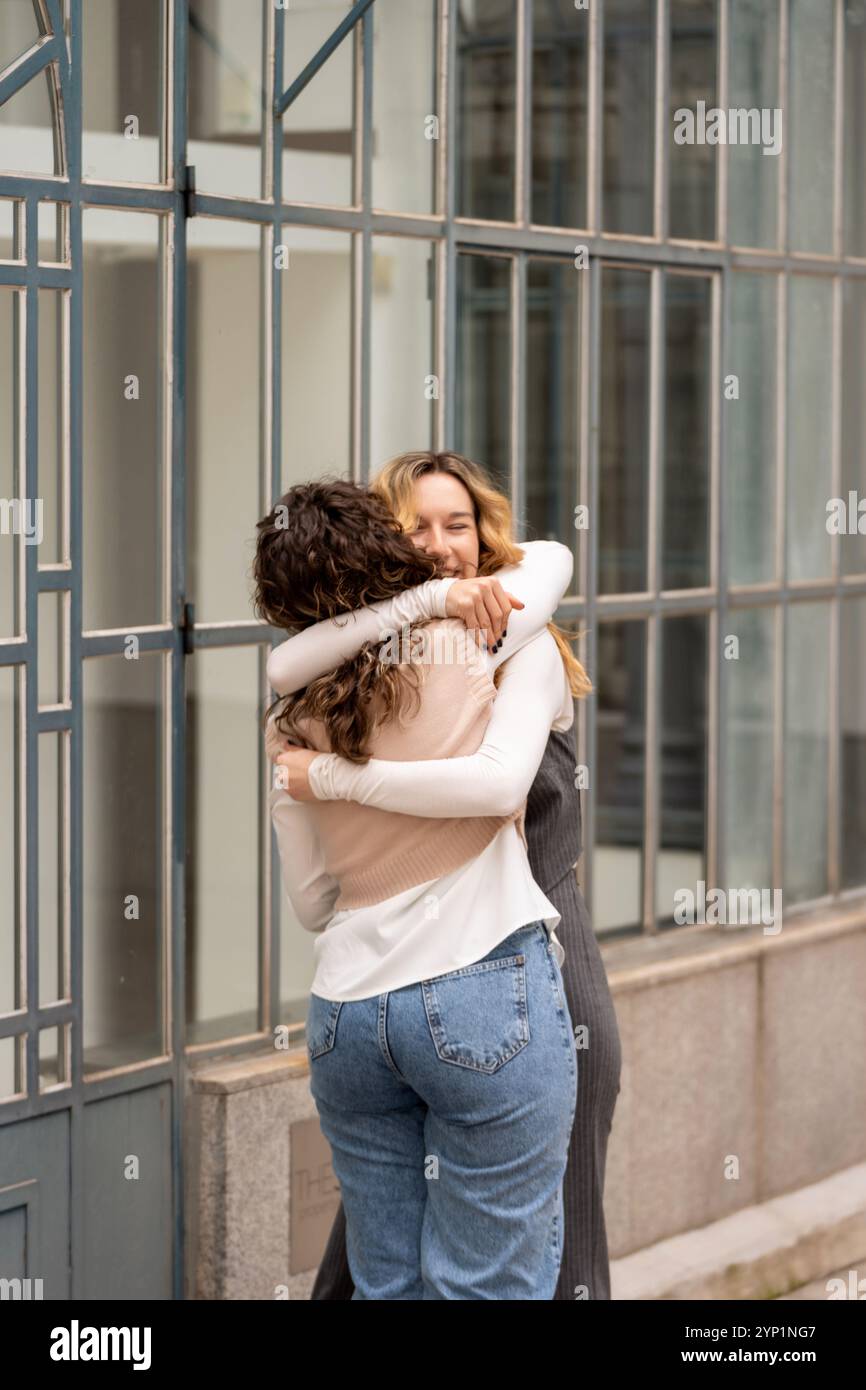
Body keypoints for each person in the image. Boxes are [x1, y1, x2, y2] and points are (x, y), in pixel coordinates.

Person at [267, 450, 622, 1300]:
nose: (438, 545)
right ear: (380, 546)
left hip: (351, 1008)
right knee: (492, 1271)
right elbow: (497, 785)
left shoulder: (301, 703)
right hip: (490, 978)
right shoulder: (478, 650)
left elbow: (311, 901)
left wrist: (333, 784)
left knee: (392, 1270)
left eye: (457, 525)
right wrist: (431, 603)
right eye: (414, 528)